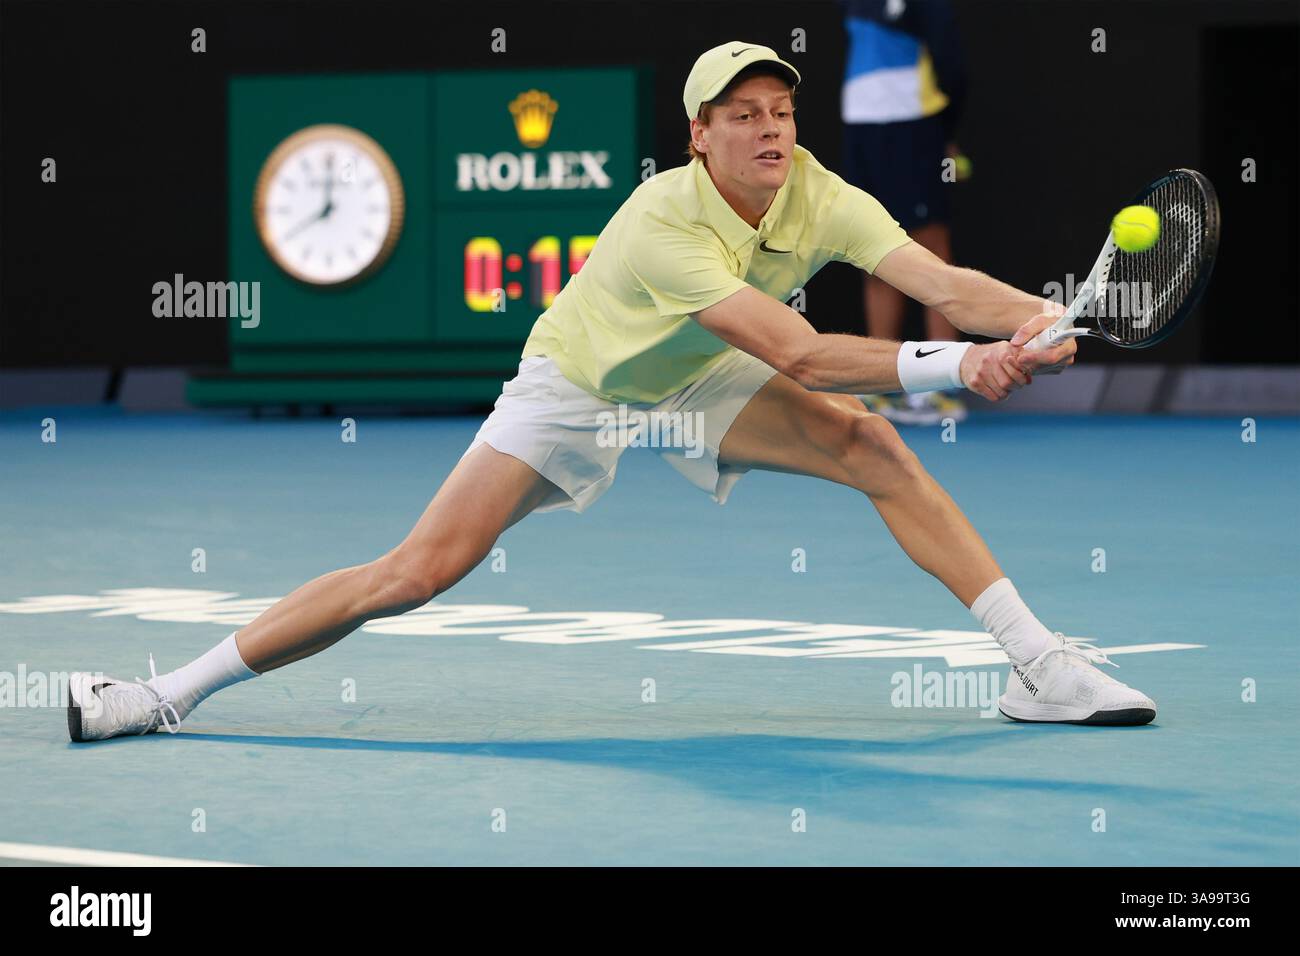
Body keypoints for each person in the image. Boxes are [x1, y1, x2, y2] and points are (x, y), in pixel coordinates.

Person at [67, 41, 1156, 743]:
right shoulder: (662, 222)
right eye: (743, 114)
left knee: (874, 450)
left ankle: (1039, 664)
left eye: (781, 108)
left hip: (703, 375)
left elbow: (940, 281)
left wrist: (1029, 320)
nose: (771, 127)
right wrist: (956, 366)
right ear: (697, 135)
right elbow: (808, 353)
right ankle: (168, 693)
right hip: (579, 384)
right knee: (413, 572)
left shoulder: (814, 186)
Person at [841, 0, 970, 425]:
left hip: (912, 126)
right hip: (861, 127)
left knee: (930, 253)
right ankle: (881, 385)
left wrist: (941, 132)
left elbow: (952, 66)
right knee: (871, 252)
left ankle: (940, 384)